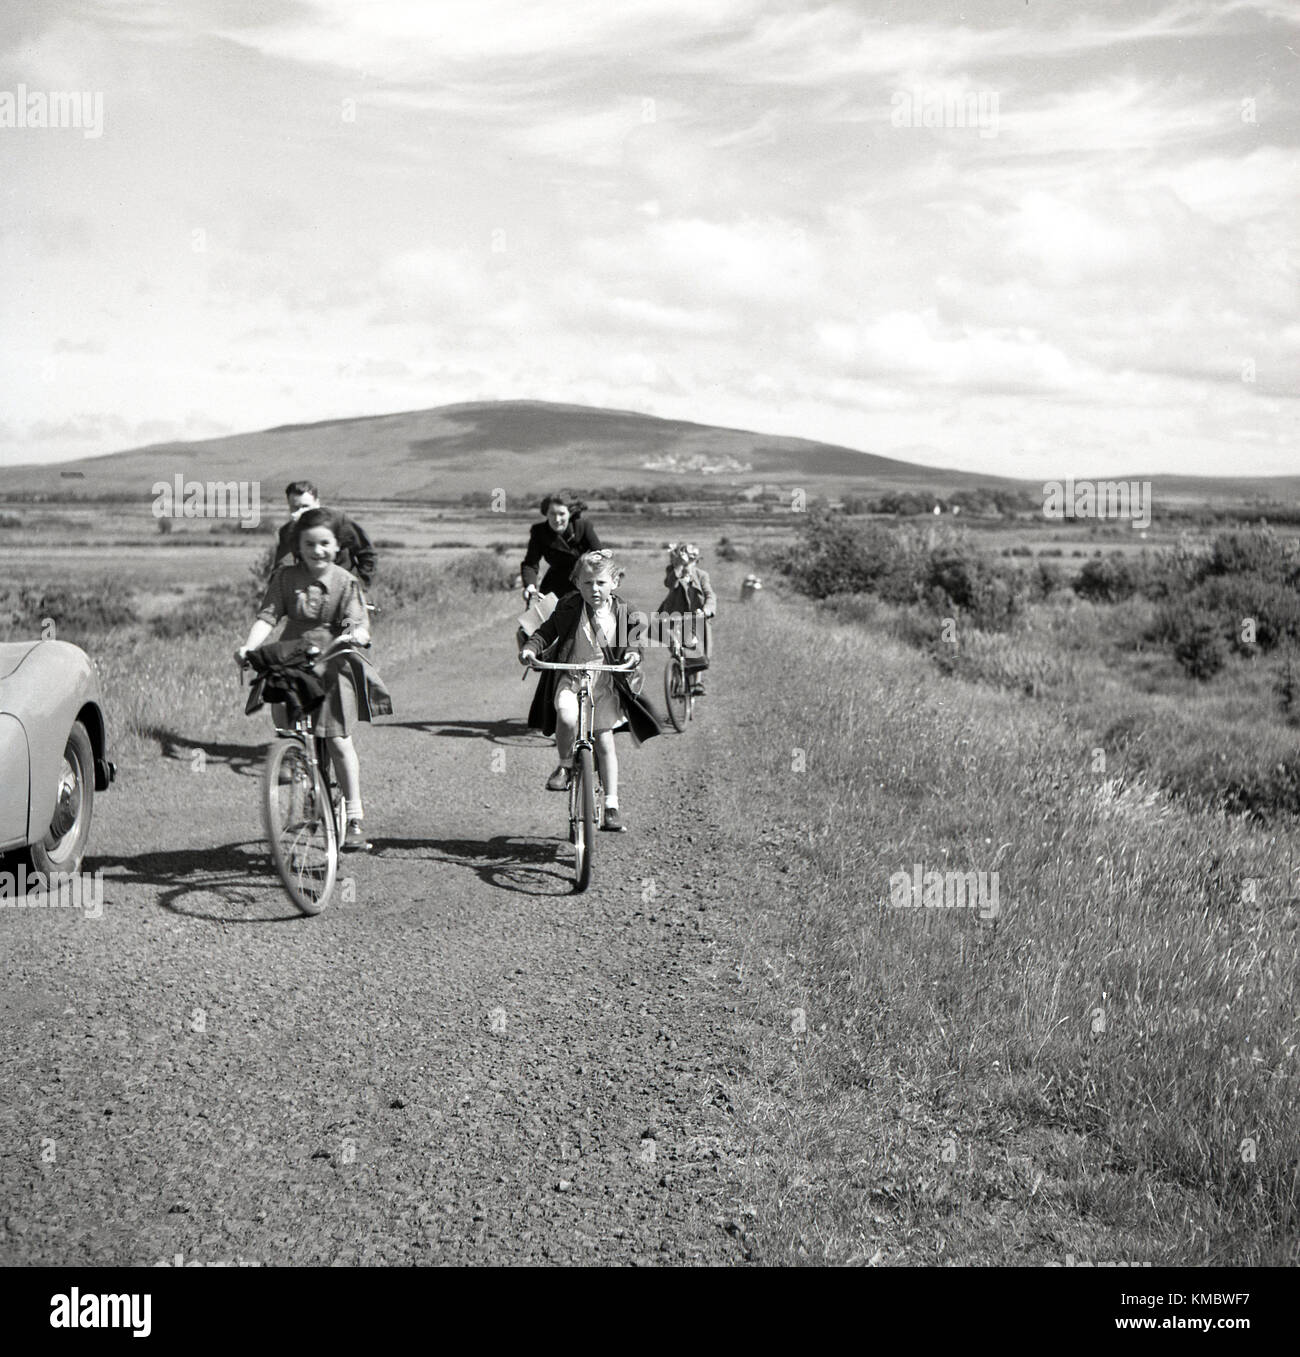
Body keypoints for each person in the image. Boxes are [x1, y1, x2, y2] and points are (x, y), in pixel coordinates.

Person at [238, 508, 391, 852]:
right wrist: (250, 646)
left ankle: (354, 816)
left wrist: (358, 634)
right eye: (310, 543)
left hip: (333, 659)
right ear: (299, 545)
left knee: (337, 740)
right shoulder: (284, 578)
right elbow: (268, 615)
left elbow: (357, 621)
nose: (317, 550)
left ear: (337, 547)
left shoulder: (345, 582)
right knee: (287, 732)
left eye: (325, 543)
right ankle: (306, 780)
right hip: (292, 657)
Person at [519, 550, 661, 832]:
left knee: (605, 741)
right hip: (571, 676)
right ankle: (564, 764)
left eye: (600, 583)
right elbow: (546, 632)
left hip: (605, 683)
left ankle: (611, 805)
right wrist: (530, 648)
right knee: (567, 716)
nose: (594, 589)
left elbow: (634, 643)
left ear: (615, 583)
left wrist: (633, 656)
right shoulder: (569, 607)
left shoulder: (625, 612)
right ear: (576, 583)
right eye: (586, 583)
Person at [272, 481, 377, 588]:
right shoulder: (288, 531)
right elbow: (282, 565)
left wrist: (360, 586)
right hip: (310, 591)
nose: (301, 512)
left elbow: (368, 554)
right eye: (295, 507)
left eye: (305, 506)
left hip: (344, 587)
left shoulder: (338, 521)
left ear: (317, 503)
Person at [519, 491, 602, 603]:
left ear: (570, 513)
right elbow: (530, 563)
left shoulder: (583, 527)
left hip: (583, 584)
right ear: (546, 514)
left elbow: (600, 558)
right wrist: (530, 586)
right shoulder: (539, 532)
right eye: (552, 514)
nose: (557, 519)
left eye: (561, 514)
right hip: (553, 586)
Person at [659, 542, 717, 695]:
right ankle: (677, 669)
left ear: (696, 561)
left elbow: (709, 594)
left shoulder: (701, 575)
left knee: (697, 645)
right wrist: (678, 566)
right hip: (674, 615)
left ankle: (697, 682)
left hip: (695, 616)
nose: (688, 565)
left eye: (691, 561)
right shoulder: (672, 571)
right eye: (685, 560)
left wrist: (706, 609)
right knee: (674, 643)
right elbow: (669, 583)